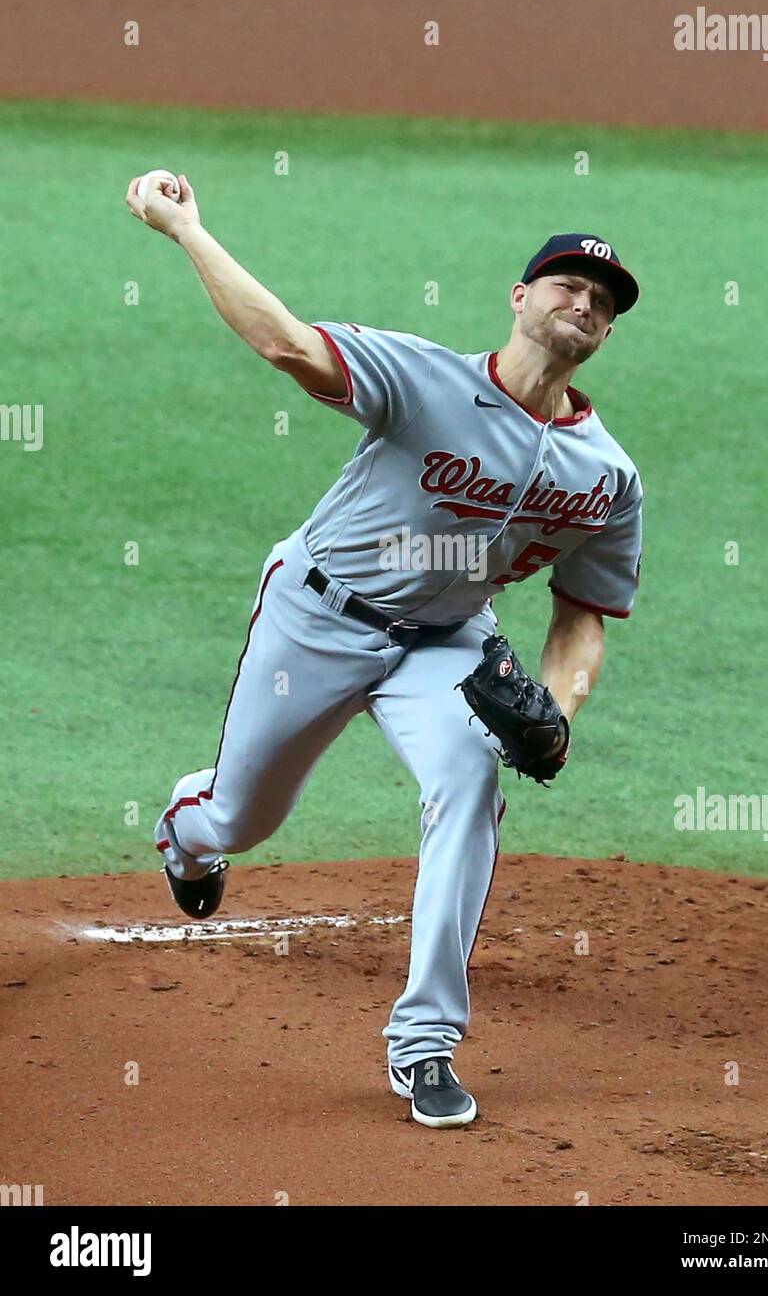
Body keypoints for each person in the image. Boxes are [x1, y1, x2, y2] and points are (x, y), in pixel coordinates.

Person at [125, 173, 643, 1128]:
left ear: (606, 335)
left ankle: (425, 1044)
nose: (584, 303)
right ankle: (184, 835)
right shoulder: (421, 378)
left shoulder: (605, 477)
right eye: (567, 285)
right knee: (240, 818)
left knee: (468, 787)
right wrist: (186, 228)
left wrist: (556, 716)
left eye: (603, 302)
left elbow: (583, 618)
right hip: (317, 618)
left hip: (449, 644)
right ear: (521, 299)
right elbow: (287, 341)